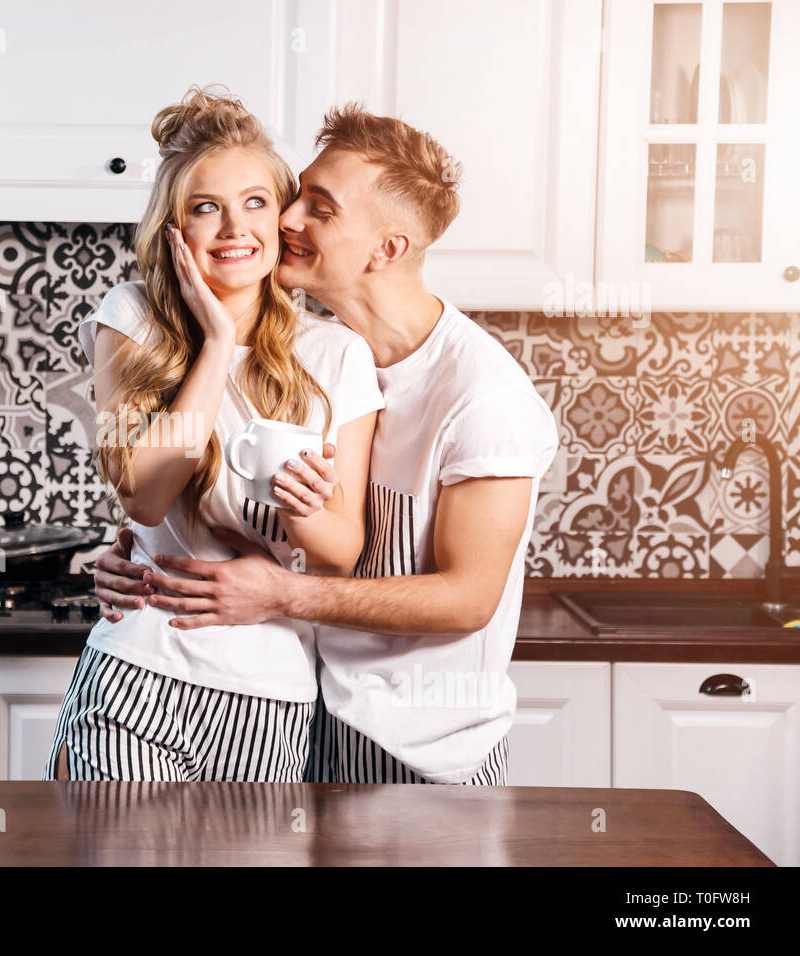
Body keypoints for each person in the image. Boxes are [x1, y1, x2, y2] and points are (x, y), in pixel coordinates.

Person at [93, 105, 560, 786]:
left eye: (319, 208)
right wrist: (140, 540)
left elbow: (468, 599)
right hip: (314, 722)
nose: (285, 220)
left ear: (387, 248)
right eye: (294, 196)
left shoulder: (484, 397)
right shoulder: (332, 356)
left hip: (426, 749)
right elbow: (193, 477)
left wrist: (282, 594)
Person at [44, 88, 383, 782]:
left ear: (281, 215)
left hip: (271, 695)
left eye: (256, 201)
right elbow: (143, 497)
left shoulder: (337, 355)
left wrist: (303, 505)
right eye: (206, 207)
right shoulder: (133, 317)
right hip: (138, 672)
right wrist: (218, 341)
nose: (235, 227)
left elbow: (343, 549)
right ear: (175, 228)